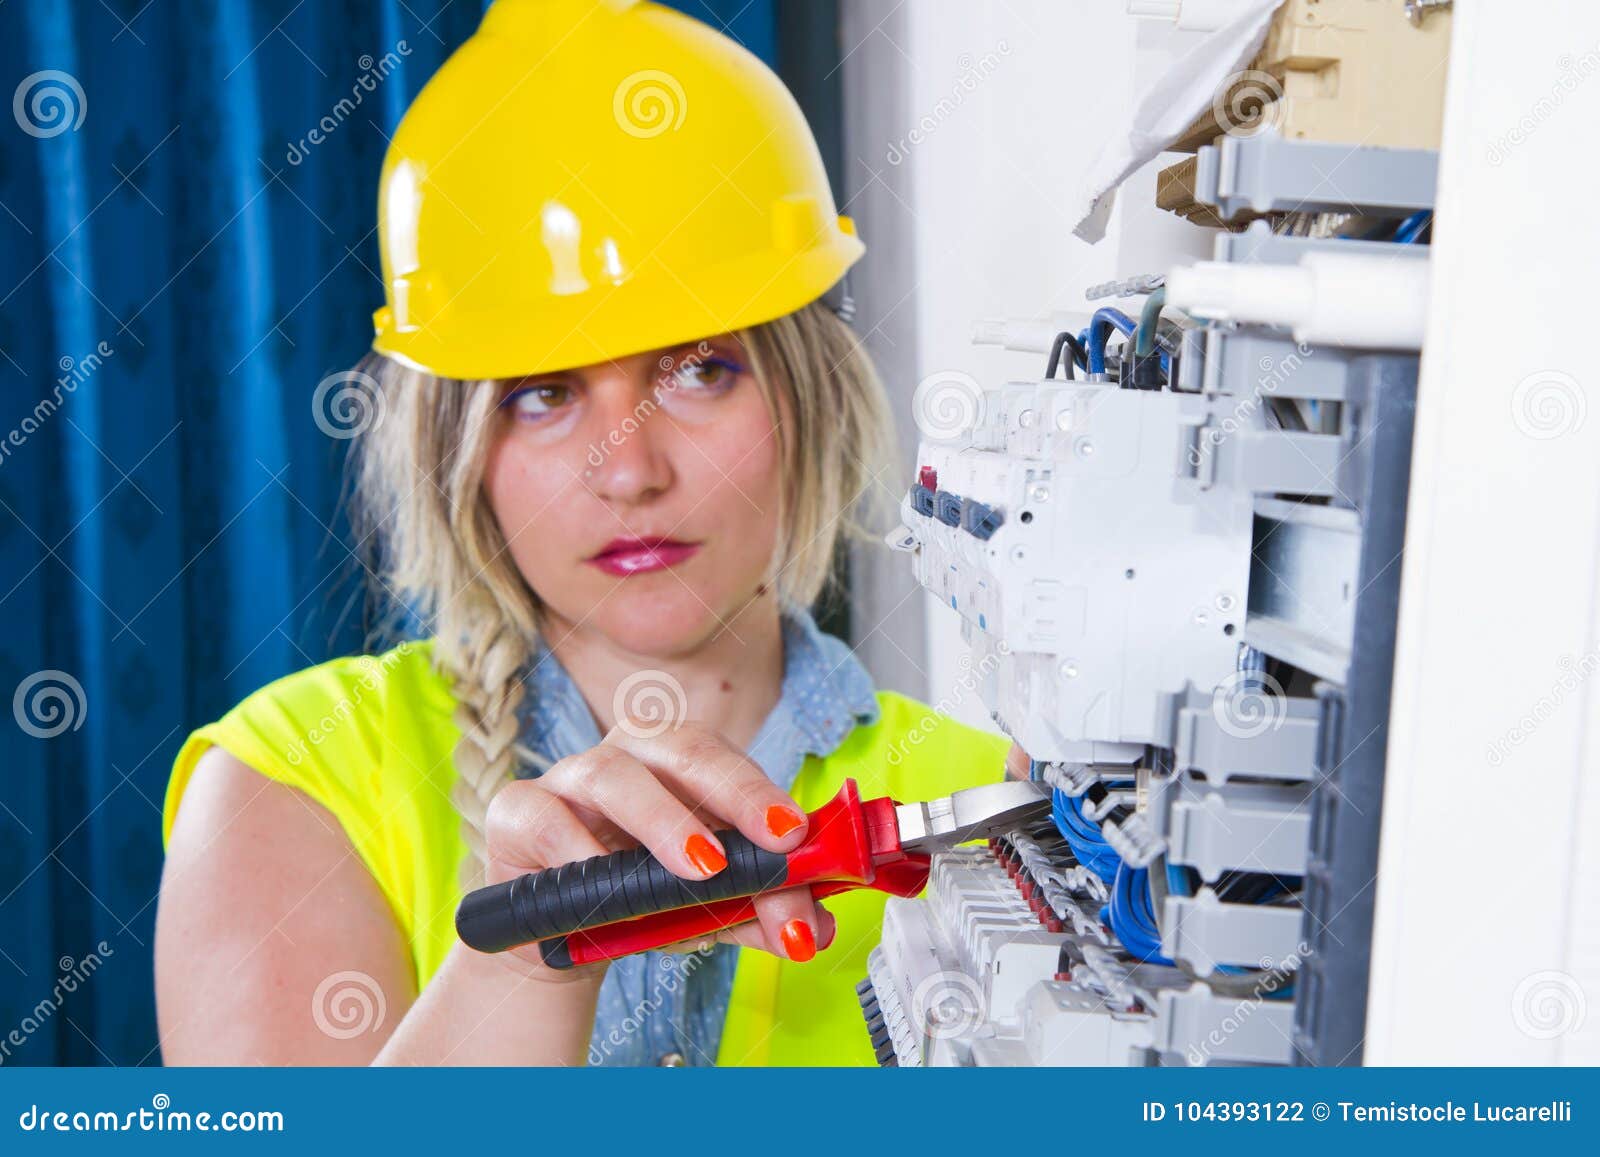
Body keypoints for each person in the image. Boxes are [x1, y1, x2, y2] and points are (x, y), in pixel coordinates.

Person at [155, 0, 1010, 1067]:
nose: (632, 470)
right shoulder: (289, 779)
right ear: (456, 446)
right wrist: (515, 961)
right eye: (545, 393)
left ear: (809, 396)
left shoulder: (984, 804)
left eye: (701, 370)